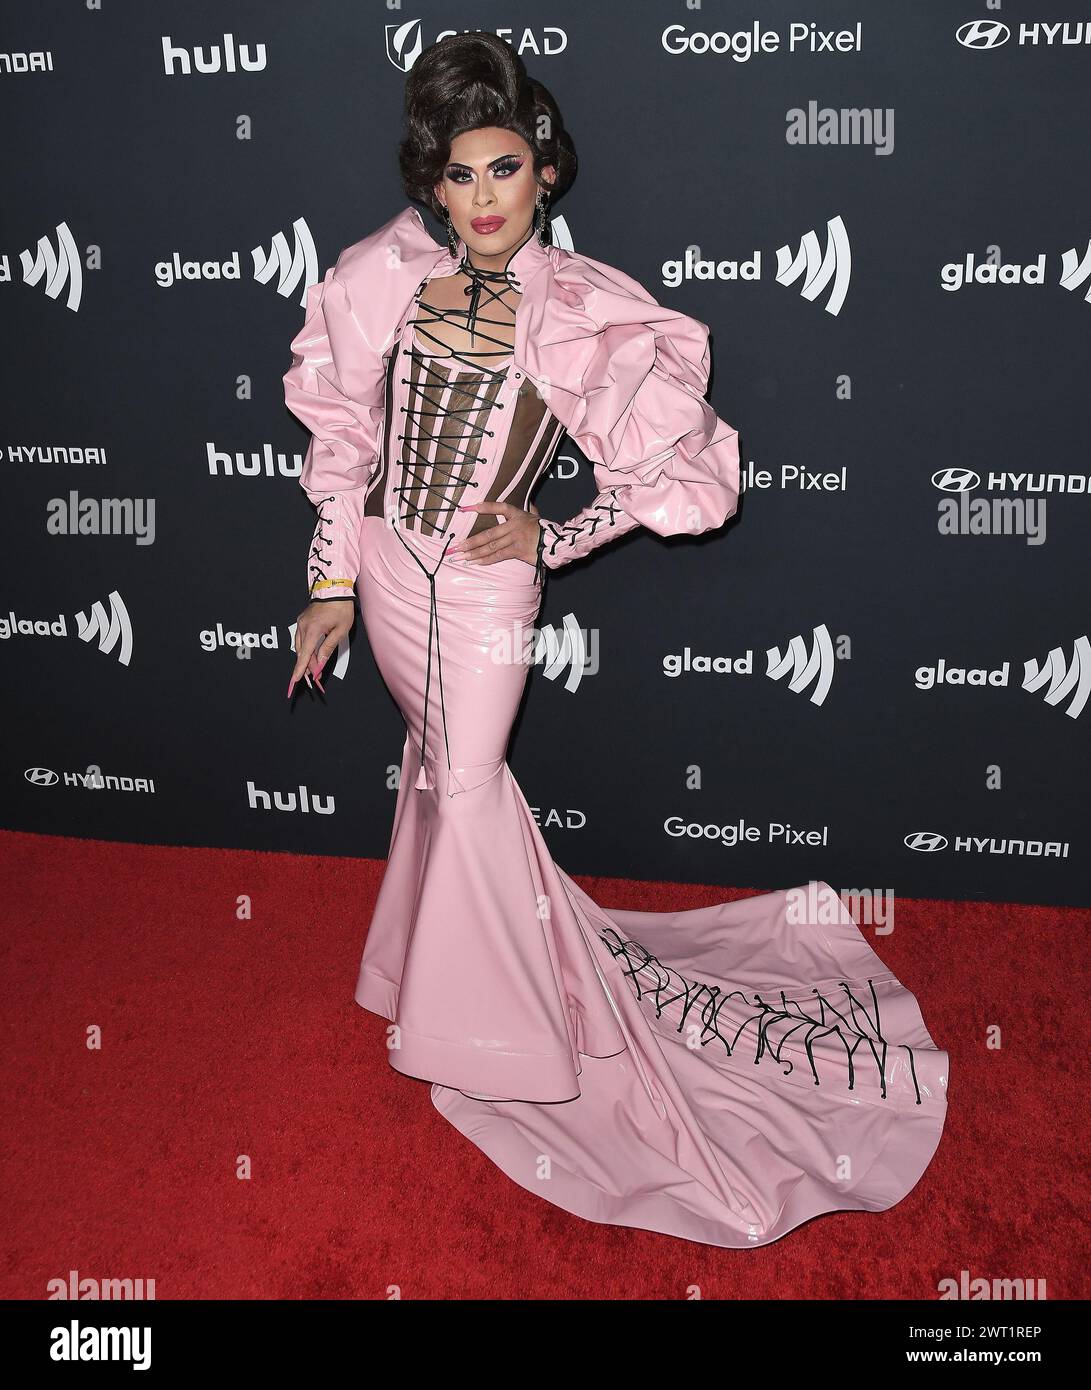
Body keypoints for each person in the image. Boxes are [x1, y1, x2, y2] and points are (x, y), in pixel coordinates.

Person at [283, 32, 948, 1248]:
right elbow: (341, 442)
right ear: (430, 183)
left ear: (543, 169)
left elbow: (684, 483)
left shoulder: (588, 309)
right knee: (438, 779)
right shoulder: (380, 275)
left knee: (472, 782)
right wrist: (330, 578)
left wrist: (553, 537)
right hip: (386, 578)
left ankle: (493, 1035)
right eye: (457, 176)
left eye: (502, 169)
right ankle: (421, 980)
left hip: (482, 599)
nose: (482, 199)